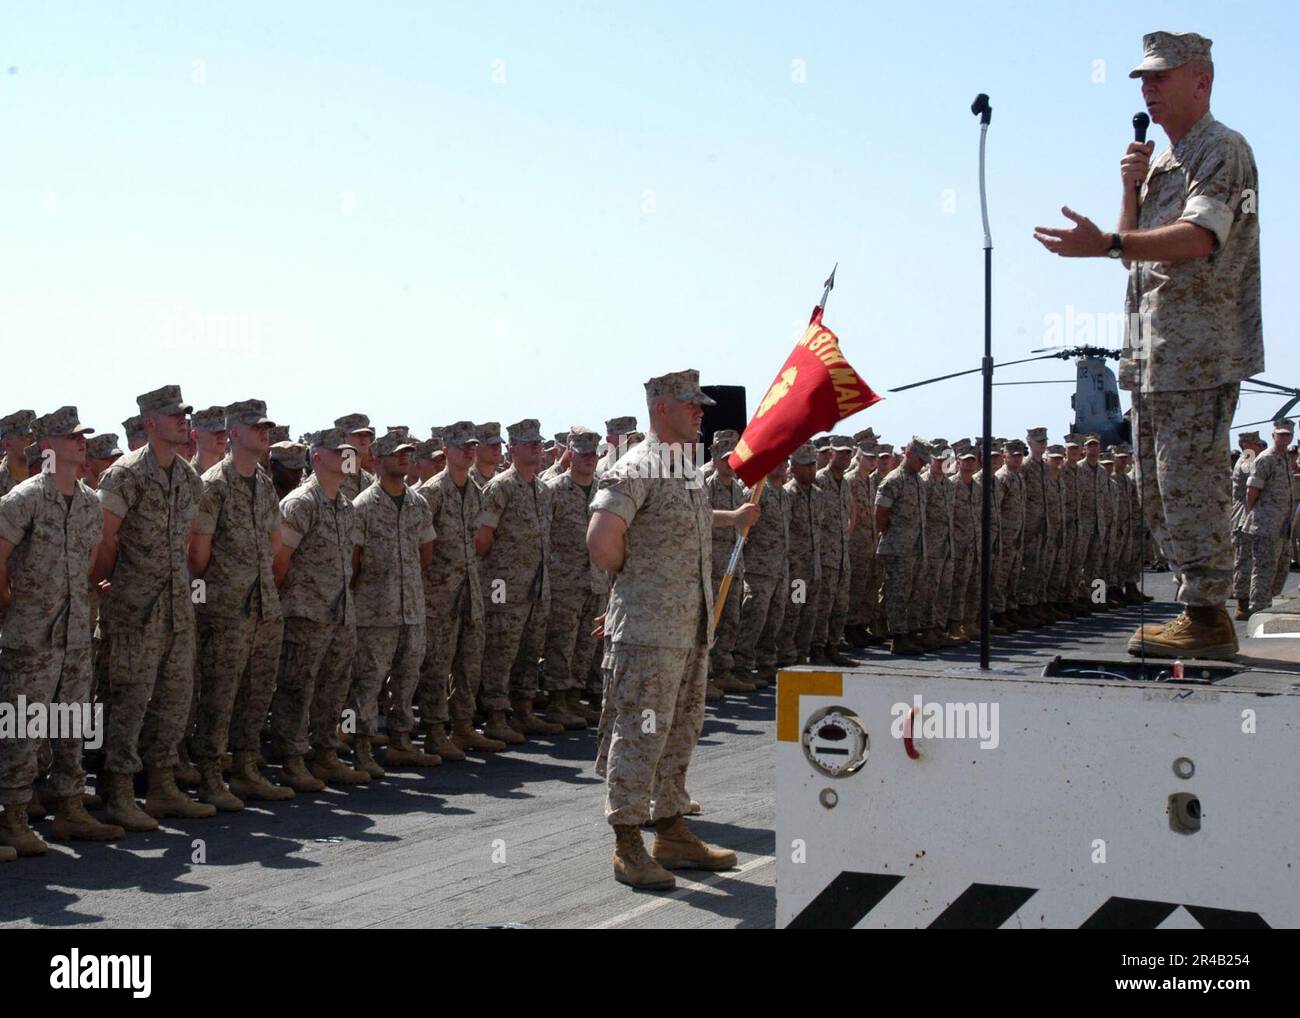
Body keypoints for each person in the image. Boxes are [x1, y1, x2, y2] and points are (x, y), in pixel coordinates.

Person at [1034, 30, 1260, 659]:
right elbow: (1133, 254)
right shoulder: (1163, 162)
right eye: (1142, 79)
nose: (1148, 88)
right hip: (1153, 352)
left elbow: (1197, 239)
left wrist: (1106, 241)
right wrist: (1131, 191)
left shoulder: (1223, 149)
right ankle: (1196, 610)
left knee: (1191, 481)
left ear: (1201, 82)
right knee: (1157, 486)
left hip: (1199, 350)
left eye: (1161, 77)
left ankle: (1210, 617)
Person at [586, 368, 747, 891]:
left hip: (690, 626)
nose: (701, 412)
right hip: (650, 630)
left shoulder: (685, 469)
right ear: (661, 409)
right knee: (640, 732)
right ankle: (627, 842)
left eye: (701, 404)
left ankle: (672, 830)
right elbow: (602, 539)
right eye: (691, 405)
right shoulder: (637, 466)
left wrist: (732, 517)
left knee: (681, 730)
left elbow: (685, 524)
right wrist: (635, 592)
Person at [0, 407, 124, 856]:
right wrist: (13, 612)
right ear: (47, 446)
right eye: (72, 437)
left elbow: (90, 564)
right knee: (23, 726)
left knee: (72, 723)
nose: (80, 443)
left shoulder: (90, 501)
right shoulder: (24, 499)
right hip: (31, 637)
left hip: (75, 635)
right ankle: (13, 820)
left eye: (82, 437)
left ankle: (70, 810)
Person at [94, 385, 216, 829]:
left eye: (185, 414)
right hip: (134, 608)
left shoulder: (188, 478)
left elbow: (186, 543)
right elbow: (104, 541)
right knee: (128, 699)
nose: (184, 421)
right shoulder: (123, 474)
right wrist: (110, 584)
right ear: (149, 423)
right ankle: (119, 791)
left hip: (176, 609)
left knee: (173, 699)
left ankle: (163, 787)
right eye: (174, 415)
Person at [187, 399, 293, 807]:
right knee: (220, 693)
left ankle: (247, 768)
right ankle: (212, 775)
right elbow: (198, 554)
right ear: (233, 434)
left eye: (266, 427)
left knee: (256, 691)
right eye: (255, 427)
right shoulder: (213, 484)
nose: (264, 433)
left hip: (265, 606)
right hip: (227, 609)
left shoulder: (263, 482)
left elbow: (273, 541)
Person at [271, 428, 369, 789]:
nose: (347, 457)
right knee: (298, 687)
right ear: (317, 457)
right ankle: (292, 759)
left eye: (349, 451)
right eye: (338, 451)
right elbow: (279, 563)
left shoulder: (345, 506)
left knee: (334, 687)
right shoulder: (301, 504)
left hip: (340, 614)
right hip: (305, 615)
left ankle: (326, 754)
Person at [350, 429, 439, 775]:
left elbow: (426, 554)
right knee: (367, 683)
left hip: (411, 609)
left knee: (407, 678)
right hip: (374, 611)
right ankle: (360, 748)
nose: (404, 458)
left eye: (408, 453)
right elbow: (353, 562)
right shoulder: (363, 506)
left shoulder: (418, 503)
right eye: (396, 453)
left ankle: (401, 741)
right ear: (378, 459)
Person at [415, 421, 504, 757]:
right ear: (445, 449)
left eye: (471, 446)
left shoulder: (476, 493)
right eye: (460, 446)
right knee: (437, 665)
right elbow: (416, 547)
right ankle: (435, 731)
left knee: (469, 663)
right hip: (439, 595)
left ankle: (464, 727)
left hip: (471, 592)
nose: (468, 451)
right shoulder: (431, 494)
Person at [475, 418, 560, 738]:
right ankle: (495, 717)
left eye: (539, 443)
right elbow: (483, 539)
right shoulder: (501, 486)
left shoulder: (542, 489)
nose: (537, 448)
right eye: (529, 444)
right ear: (512, 449)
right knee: (501, 650)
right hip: (504, 586)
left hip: (537, 586)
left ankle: (523, 710)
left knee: (529, 649)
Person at [541, 426, 605, 727]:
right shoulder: (553, 490)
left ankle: (574, 697)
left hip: (596, 578)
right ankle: (556, 700)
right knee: (561, 642)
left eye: (594, 453)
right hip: (564, 580)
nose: (589, 459)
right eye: (583, 454)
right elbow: (541, 537)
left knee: (586, 643)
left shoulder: (604, 490)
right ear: (570, 454)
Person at [876, 438, 928, 655]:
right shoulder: (893, 480)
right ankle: (897, 638)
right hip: (897, 547)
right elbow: (880, 514)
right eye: (920, 459)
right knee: (896, 593)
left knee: (910, 592)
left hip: (914, 546)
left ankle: (906, 632)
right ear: (908, 454)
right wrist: (892, 534)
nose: (923, 464)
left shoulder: (917, 480)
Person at [1240, 419, 1295, 617]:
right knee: (1264, 568)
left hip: (1283, 524)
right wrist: (1255, 516)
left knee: (1281, 568)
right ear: (1273, 436)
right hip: (1266, 524)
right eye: (1280, 434)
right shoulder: (1265, 458)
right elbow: (1252, 491)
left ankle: (1267, 605)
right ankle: (1257, 609)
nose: (1284, 438)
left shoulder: (1285, 458)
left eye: (1287, 434)